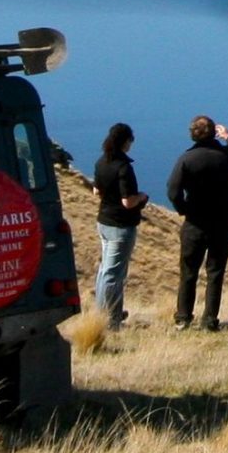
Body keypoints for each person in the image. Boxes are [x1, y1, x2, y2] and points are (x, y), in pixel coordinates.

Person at [166, 114, 228, 331]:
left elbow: (173, 190)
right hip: (222, 223)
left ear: (192, 135)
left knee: (189, 271)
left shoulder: (186, 159)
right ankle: (209, 320)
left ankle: (183, 318)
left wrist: (183, 209)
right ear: (215, 132)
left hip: (195, 223)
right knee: (215, 272)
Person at [92, 122, 148, 330]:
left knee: (104, 270)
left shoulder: (102, 162)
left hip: (103, 221)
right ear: (126, 142)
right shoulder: (124, 167)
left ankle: (102, 313)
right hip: (121, 226)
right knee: (114, 274)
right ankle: (112, 321)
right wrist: (142, 197)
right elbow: (128, 202)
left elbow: (96, 191)